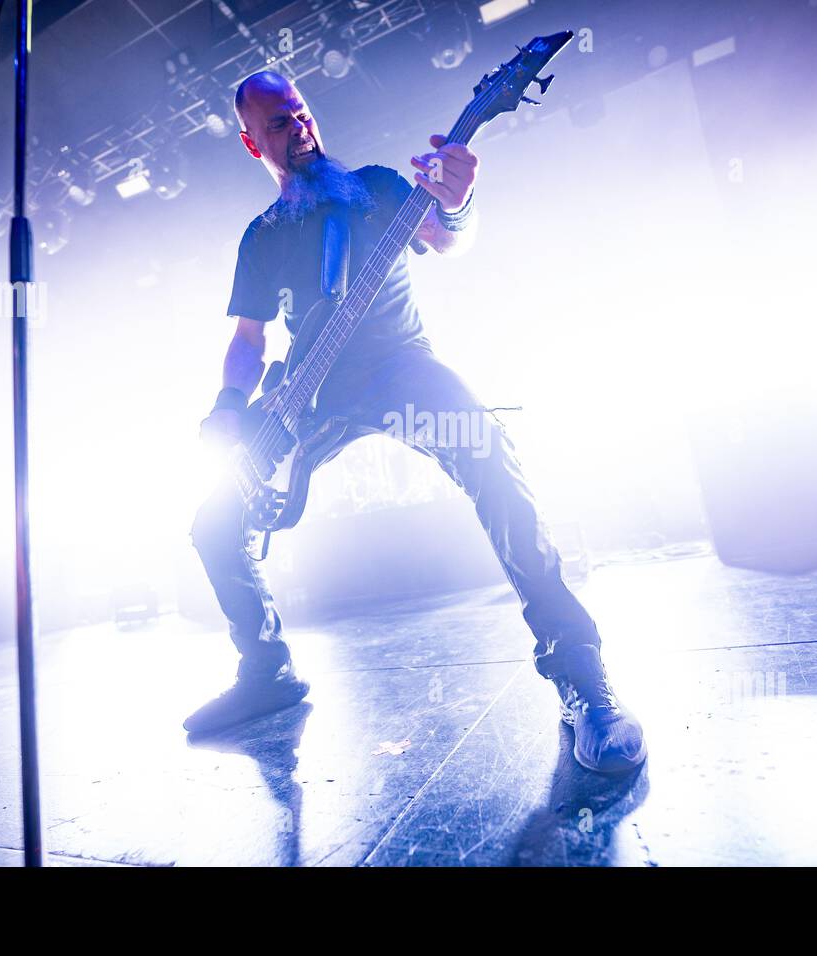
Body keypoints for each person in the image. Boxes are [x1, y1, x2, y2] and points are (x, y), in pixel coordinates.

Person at [185, 71, 646, 774]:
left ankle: (582, 680)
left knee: (490, 454)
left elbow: (445, 232)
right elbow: (249, 339)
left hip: (398, 368)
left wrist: (458, 203)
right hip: (307, 395)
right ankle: (266, 672)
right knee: (213, 524)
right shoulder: (262, 237)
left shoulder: (373, 186)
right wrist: (226, 406)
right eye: (278, 123)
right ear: (253, 143)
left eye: (301, 112)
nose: (298, 127)